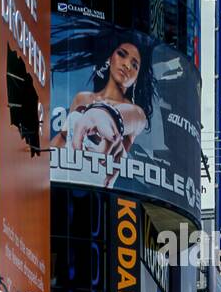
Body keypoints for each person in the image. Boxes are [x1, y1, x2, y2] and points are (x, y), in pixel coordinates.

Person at [50, 36, 153, 188]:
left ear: (137, 78)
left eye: (134, 65)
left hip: (94, 189)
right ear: (110, 58)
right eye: (122, 54)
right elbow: (63, 137)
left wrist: (99, 116)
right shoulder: (82, 98)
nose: (126, 65)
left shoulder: (136, 113)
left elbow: (117, 118)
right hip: (60, 181)